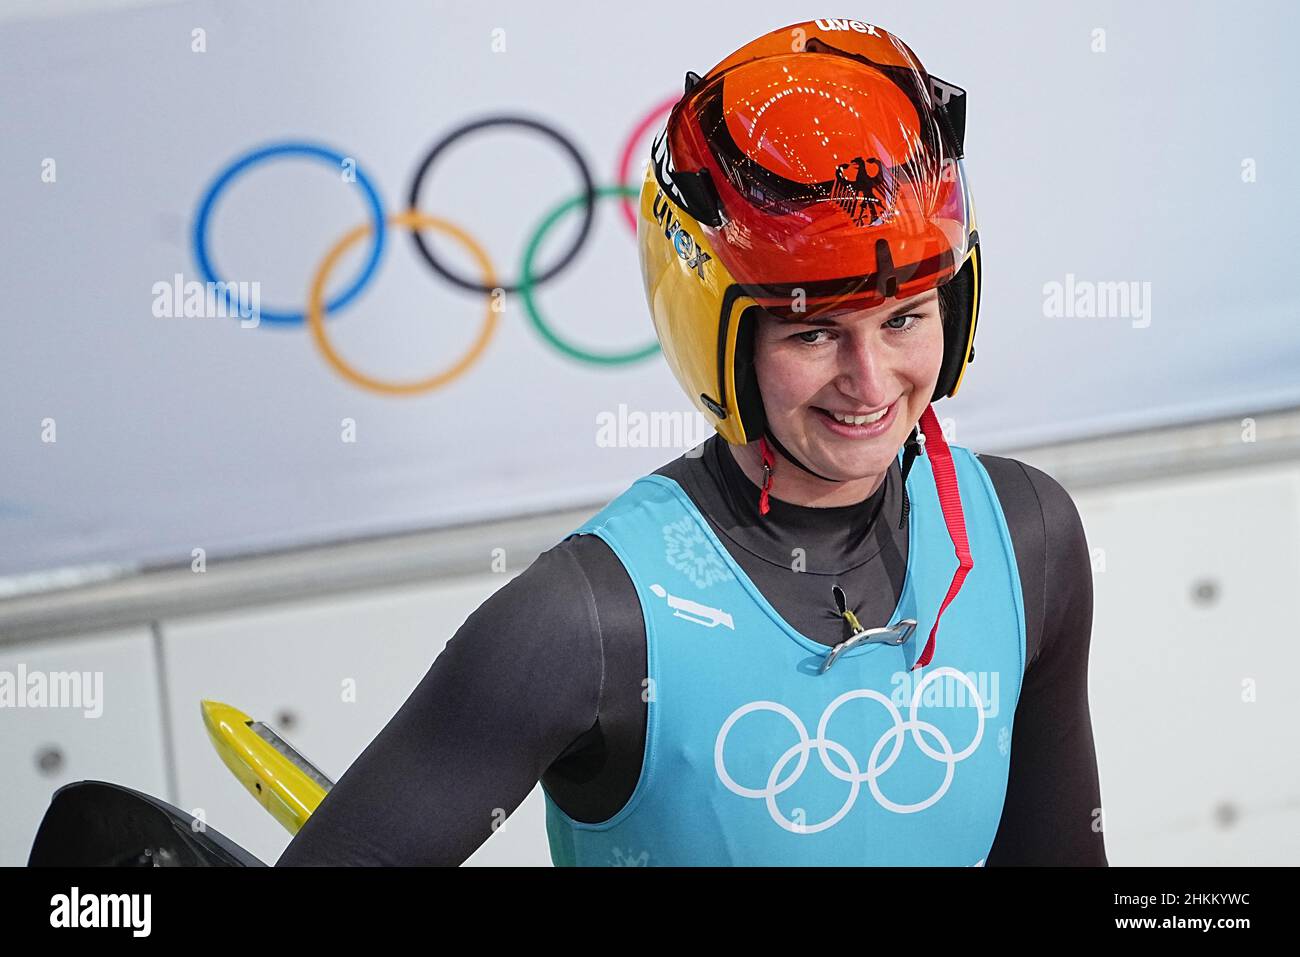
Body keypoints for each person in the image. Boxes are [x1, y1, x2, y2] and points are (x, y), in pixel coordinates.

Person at [277, 18, 1106, 867]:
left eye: (905, 318)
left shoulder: (1026, 538)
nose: (871, 377)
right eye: (814, 334)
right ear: (717, 338)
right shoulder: (586, 620)